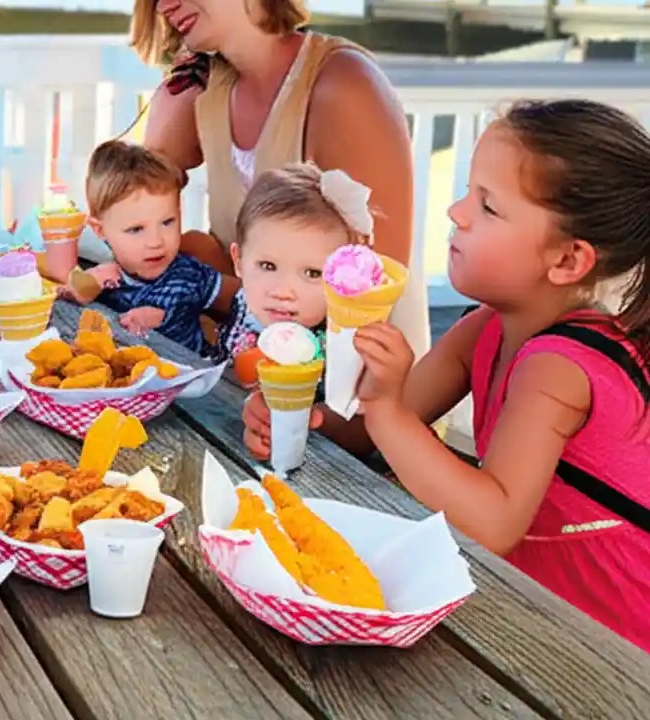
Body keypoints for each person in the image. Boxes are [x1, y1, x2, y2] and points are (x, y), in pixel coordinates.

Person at [261, 99, 650, 651]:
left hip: (612, 648)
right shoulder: (485, 330)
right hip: (536, 611)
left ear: (567, 261)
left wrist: (391, 410)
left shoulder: (559, 368)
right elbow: (375, 428)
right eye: (469, 191)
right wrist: (299, 417)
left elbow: (494, 521)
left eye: (488, 207)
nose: (456, 212)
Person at [127, 0, 429, 363]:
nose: (165, 6)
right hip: (251, 368)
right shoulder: (207, 90)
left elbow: (375, 291)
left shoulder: (343, 85)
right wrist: (167, 102)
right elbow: (131, 218)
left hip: (350, 389)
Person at [71, 140, 230, 358]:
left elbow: (242, 301)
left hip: (191, 379)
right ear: (100, 230)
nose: (156, 241)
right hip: (125, 379)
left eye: (167, 222)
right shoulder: (107, 279)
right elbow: (67, 300)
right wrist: (86, 286)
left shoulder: (190, 275)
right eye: (136, 229)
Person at [220, 162, 374, 369]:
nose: (283, 292)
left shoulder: (343, 347)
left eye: (312, 273)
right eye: (267, 266)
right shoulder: (245, 305)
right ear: (238, 261)